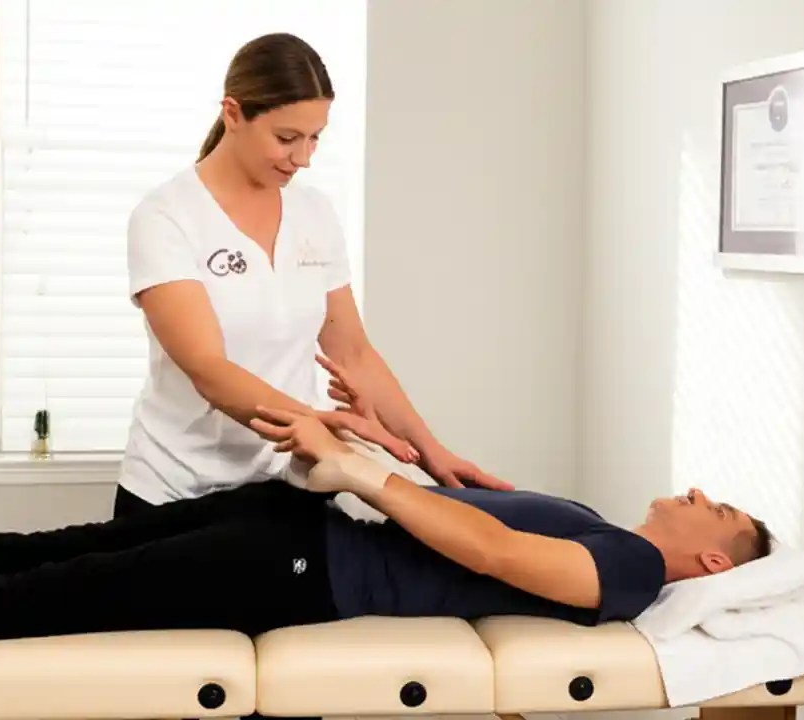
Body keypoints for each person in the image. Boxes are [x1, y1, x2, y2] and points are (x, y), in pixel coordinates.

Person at [0, 408, 772, 658]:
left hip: (303, 566)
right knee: (50, 549)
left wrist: (360, 472)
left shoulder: (631, 570)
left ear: (711, 561)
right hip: (300, 521)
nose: (697, 491)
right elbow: (472, 517)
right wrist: (375, 450)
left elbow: (492, 554)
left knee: (38, 595)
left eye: (717, 507)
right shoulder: (605, 528)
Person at [116, 31, 509, 519]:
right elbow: (210, 371)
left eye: (315, 137)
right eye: (286, 138)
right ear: (232, 114)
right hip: (174, 490)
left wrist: (432, 453)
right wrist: (324, 426)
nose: (303, 158)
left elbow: (353, 353)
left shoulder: (313, 213)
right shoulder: (166, 217)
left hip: (284, 486)